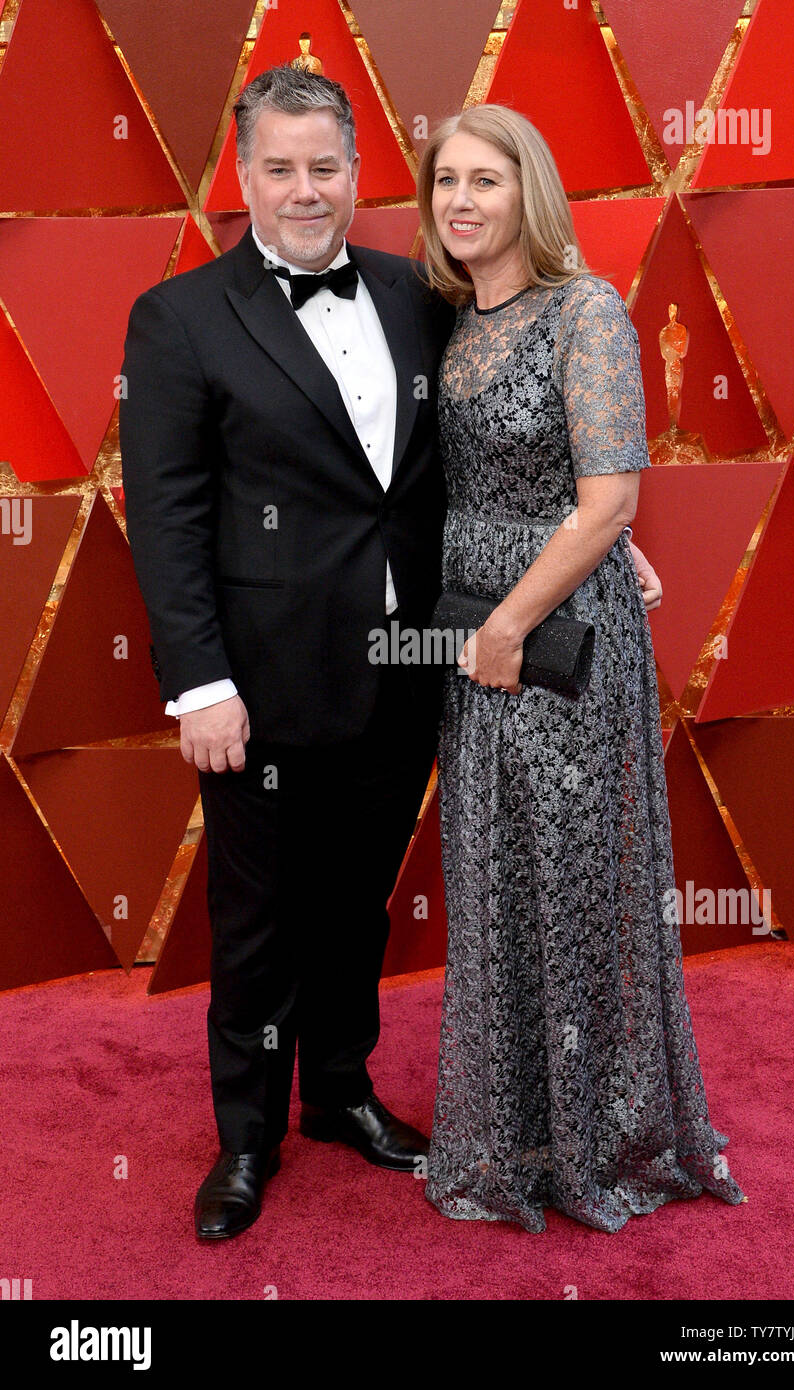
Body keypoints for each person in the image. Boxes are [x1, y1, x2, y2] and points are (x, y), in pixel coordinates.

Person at [120, 64, 663, 1242]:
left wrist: (613, 542)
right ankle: (246, 1136)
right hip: (260, 684)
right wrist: (199, 684)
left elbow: (512, 449)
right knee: (258, 917)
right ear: (242, 175)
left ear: (357, 173)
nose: (304, 189)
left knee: (357, 904)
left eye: (324, 167)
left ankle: (340, 1091)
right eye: (279, 168)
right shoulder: (178, 319)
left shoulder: (419, 293)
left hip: (420, 665)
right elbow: (163, 518)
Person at [415, 104, 746, 1233]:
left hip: (552, 637)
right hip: (474, 630)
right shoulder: (452, 320)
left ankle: (597, 1134)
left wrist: (516, 620)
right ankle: (517, 1127)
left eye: (486, 180)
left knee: (569, 875)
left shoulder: (584, 310)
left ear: (531, 193)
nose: (462, 201)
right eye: (445, 181)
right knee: (494, 872)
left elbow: (608, 497)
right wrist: (501, 616)